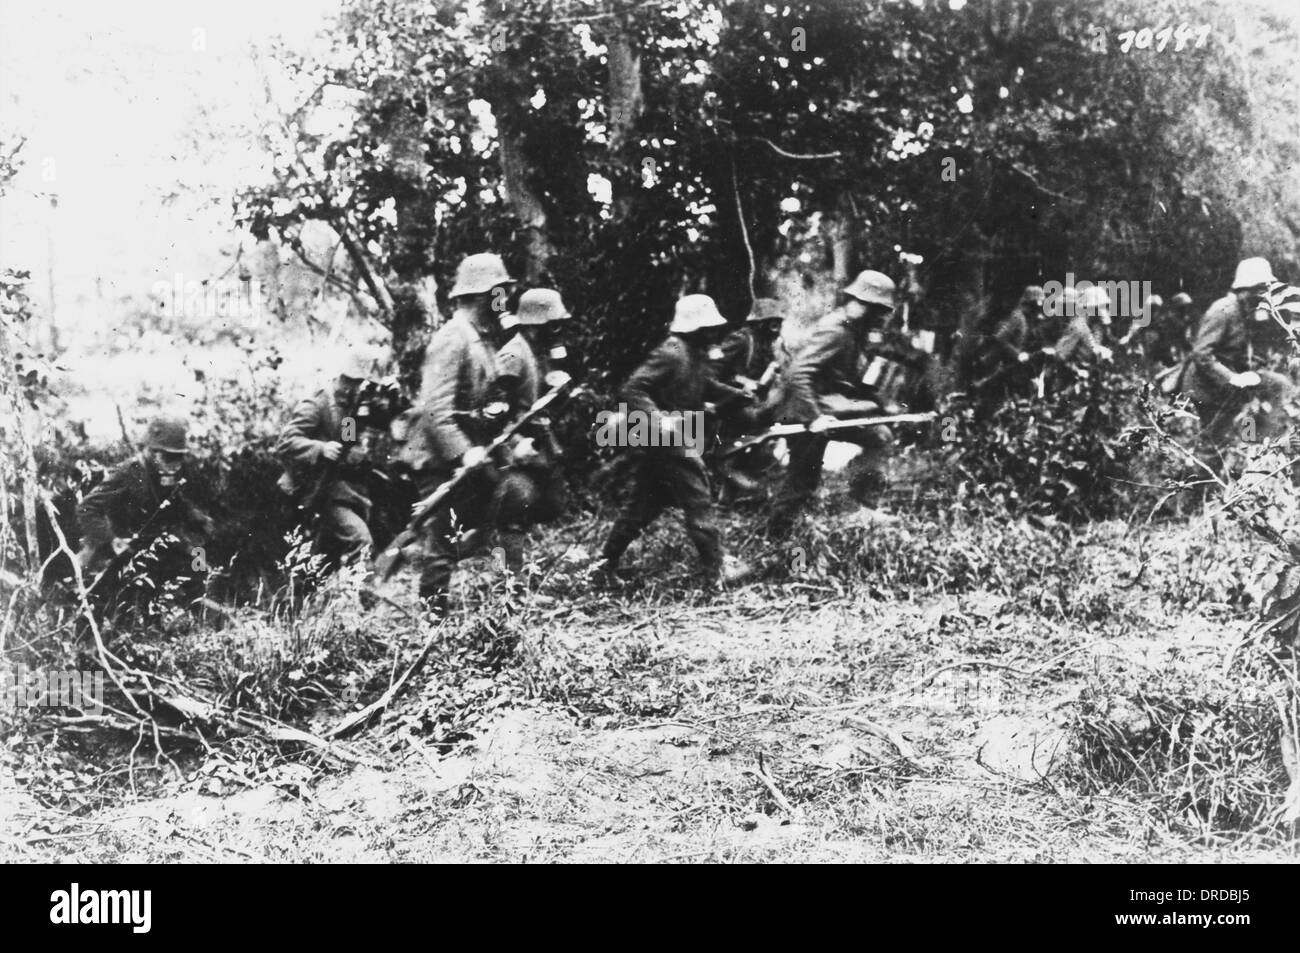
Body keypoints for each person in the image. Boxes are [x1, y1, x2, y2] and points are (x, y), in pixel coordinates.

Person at [592, 294, 749, 585]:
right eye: (709, 327)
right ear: (695, 327)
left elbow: (701, 385)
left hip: (670, 436)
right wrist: (659, 419)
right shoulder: (672, 352)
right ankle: (716, 570)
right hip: (665, 437)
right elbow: (633, 388)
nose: (715, 333)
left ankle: (603, 566)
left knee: (643, 504)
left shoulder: (695, 354)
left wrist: (734, 395)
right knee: (698, 495)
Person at [402, 253, 529, 610]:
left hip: (473, 455)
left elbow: (488, 406)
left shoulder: (484, 340)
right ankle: (432, 621)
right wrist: (464, 452)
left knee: (509, 509)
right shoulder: (453, 338)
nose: (504, 300)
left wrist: (511, 442)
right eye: (498, 293)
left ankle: (510, 603)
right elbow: (434, 409)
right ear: (480, 296)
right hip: (439, 459)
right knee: (442, 542)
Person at [764, 269, 898, 538]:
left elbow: (841, 381)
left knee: (879, 436)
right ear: (865, 305)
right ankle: (775, 537)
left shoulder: (852, 331)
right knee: (802, 480)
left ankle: (863, 506)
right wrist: (814, 417)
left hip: (826, 409)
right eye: (879, 310)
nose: (882, 318)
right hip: (805, 412)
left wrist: (878, 405)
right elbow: (797, 373)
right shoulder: (835, 330)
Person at [76, 415, 214, 598]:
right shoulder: (128, 472)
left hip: (154, 546)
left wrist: (196, 518)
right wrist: (111, 539)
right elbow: (87, 508)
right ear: (152, 451)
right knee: (109, 602)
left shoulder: (163, 473)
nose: (174, 465)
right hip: (121, 550)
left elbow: (174, 502)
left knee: (198, 565)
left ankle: (196, 608)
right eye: (169, 457)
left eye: (178, 458)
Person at [490, 288, 572, 565]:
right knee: (517, 503)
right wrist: (513, 446)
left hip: (539, 444)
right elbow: (495, 410)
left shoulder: (539, 352)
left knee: (553, 503)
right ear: (538, 324)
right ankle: (510, 588)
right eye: (554, 324)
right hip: (515, 449)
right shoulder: (513, 354)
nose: (558, 330)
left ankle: (484, 538)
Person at [276, 348, 378, 567]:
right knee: (361, 541)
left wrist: (356, 455)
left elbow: (346, 440)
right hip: (314, 491)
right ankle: (363, 598)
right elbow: (285, 442)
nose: (351, 387)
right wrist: (320, 448)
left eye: (356, 382)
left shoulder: (350, 406)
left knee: (318, 561)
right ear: (339, 376)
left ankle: (316, 598)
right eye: (347, 380)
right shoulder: (317, 403)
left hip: (336, 490)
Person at [1186, 257, 1295, 452]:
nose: (1264, 295)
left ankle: (1256, 445)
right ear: (1245, 289)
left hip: (1236, 379)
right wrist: (1233, 378)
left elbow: (1239, 350)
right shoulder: (1223, 310)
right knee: (1212, 442)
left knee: (1280, 385)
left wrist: (1254, 366)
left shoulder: (1246, 310)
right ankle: (1199, 479)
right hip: (1208, 385)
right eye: (1259, 289)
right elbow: (1201, 353)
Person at [971, 285, 1052, 413]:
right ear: (1030, 303)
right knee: (995, 399)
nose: (1039, 307)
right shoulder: (1017, 317)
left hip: (1017, 364)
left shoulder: (1029, 318)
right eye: (1037, 304)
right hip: (1004, 361)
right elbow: (999, 338)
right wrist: (1017, 354)